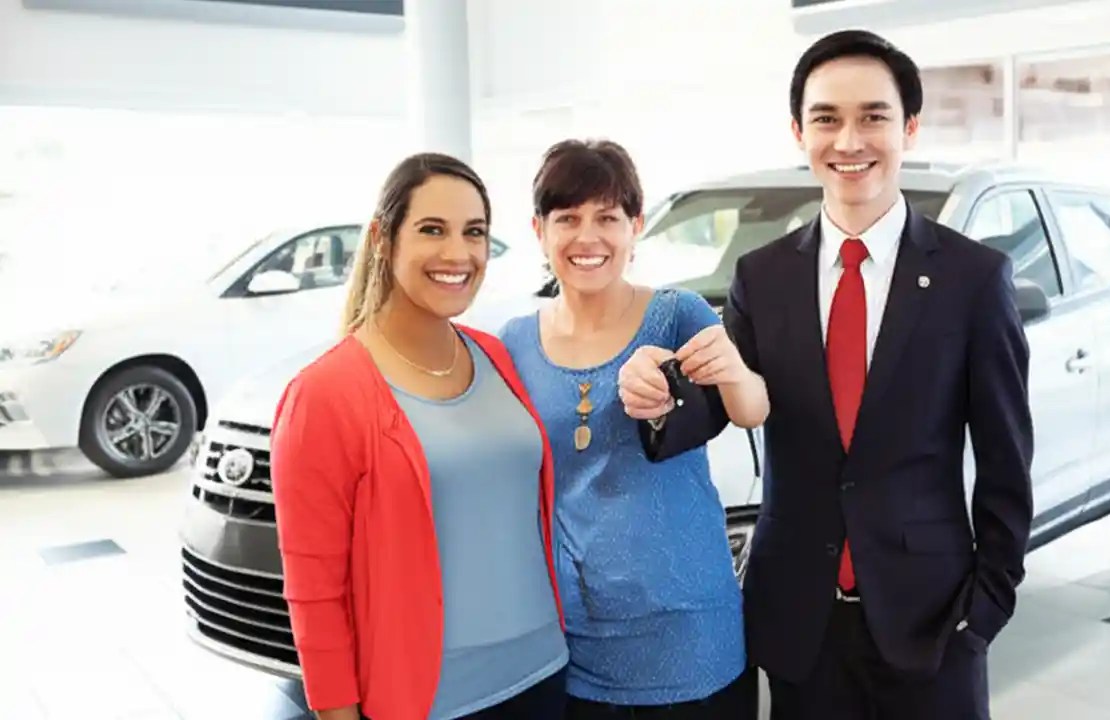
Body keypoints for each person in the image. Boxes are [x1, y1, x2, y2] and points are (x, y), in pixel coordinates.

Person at [631, 29, 1034, 719]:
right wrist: (658, 397)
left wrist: (983, 613)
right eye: (826, 119)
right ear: (798, 132)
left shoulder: (975, 279)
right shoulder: (765, 274)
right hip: (800, 626)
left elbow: (1006, 465)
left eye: (873, 116)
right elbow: (727, 398)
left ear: (909, 125)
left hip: (934, 623)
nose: (849, 141)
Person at [269, 152, 568, 720]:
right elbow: (314, 593)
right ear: (384, 239)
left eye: (473, 232)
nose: (458, 253)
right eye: (433, 230)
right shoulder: (325, 393)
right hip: (435, 701)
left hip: (545, 673)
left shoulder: (496, 355)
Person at [498, 138, 768, 719]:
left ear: (636, 225)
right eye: (567, 218)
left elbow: (751, 409)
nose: (587, 237)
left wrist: (735, 368)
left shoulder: (678, 314)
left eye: (608, 217)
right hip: (573, 638)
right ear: (539, 230)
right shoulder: (513, 343)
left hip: (691, 630)